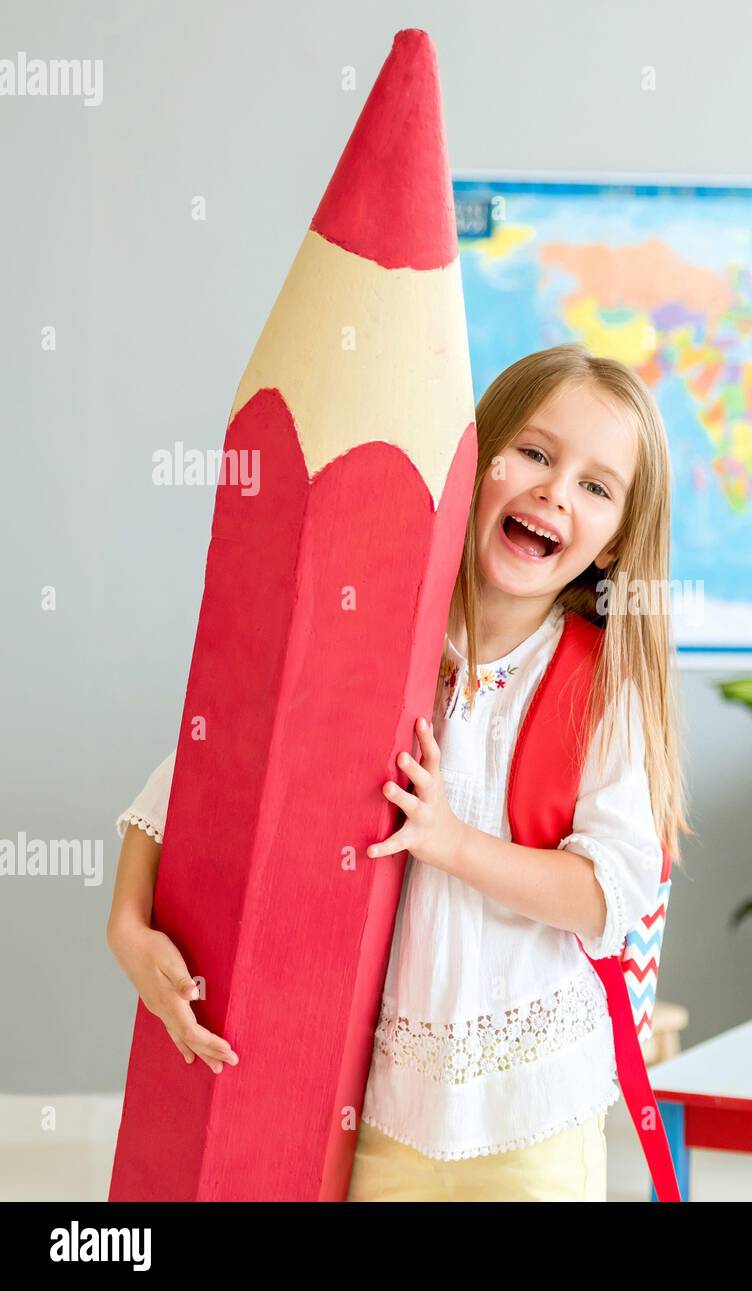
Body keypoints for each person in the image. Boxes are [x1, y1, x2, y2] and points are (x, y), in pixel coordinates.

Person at [106, 342, 689, 1201]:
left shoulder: (606, 686)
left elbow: (608, 895)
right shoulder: (376, 639)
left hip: (533, 1118)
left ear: (613, 544)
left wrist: (450, 840)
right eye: (533, 452)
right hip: (375, 1109)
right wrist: (126, 922)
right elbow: (206, 768)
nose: (554, 491)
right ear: (472, 464)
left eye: (596, 487)